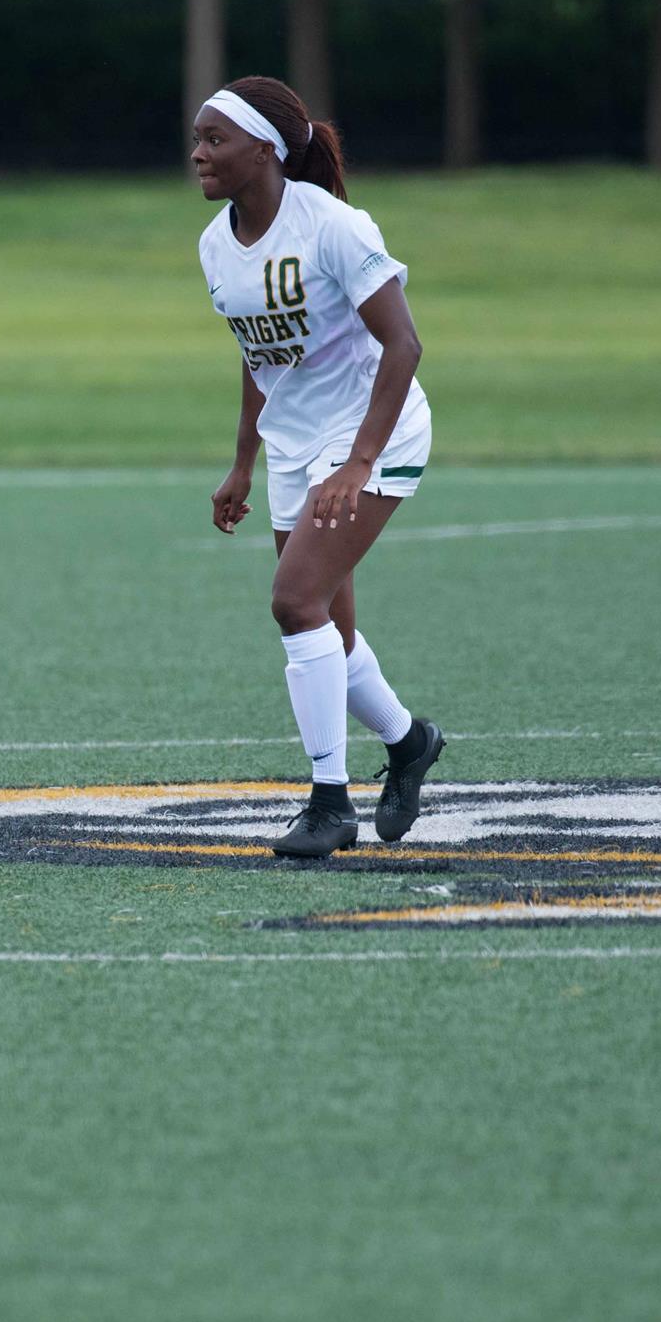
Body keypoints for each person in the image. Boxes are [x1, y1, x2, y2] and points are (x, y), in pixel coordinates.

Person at [194, 76, 445, 856]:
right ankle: (409, 743)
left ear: (265, 150)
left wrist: (359, 461)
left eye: (215, 139)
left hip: (376, 430)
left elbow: (404, 345)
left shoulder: (334, 226)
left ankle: (330, 804)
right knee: (329, 626)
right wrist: (243, 462)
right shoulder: (214, 245)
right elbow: (258, 356)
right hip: (298, 442)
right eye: (198, 139)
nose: (198, 153)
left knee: (295, 602)